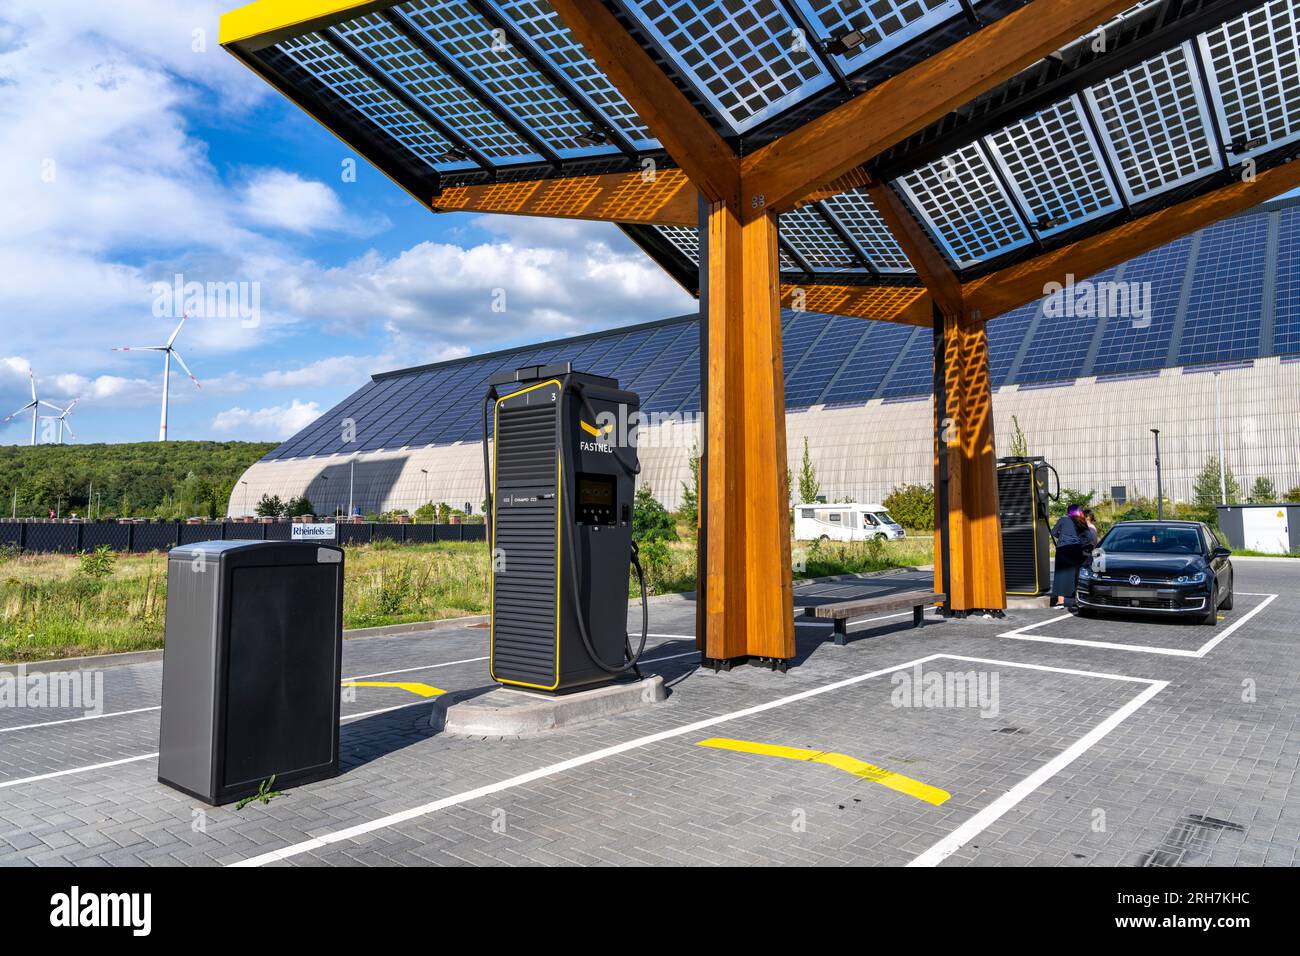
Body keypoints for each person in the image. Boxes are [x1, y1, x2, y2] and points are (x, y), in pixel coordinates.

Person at [1050, 505, 1090, 609]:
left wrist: (1063, 537)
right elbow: (1088, 537)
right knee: (1075, 574)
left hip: (1063, 549)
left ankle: (1060, 602)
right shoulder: (1081, 521)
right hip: (1076, 550)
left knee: (1060, 575)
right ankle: (1075, 601)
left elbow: (1053, 532)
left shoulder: (1063, 519)